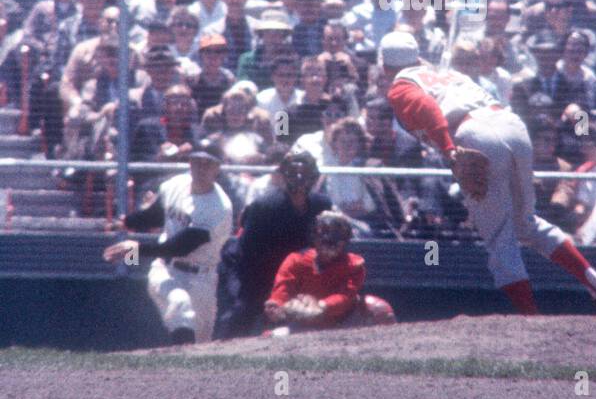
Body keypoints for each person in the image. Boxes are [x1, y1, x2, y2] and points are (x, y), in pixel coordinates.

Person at [379, 31, 596, 316]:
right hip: (511, 125)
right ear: (418, 57)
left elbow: (428, 108)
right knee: (525, 223)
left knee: (499, 237)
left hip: (474, 134)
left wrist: (450, 151)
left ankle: (529, 318)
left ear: (384, 65)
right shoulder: (445, 74)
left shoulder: (399, 87)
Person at [103, 142, 233, 345]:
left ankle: (190, 373)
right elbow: (156, 216)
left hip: (202, 278)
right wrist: (126, 223)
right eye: (196, 161)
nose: (200, 168)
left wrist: (133, 252)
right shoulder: (176, 184)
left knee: (201, 343)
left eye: (207, 163)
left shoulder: (218, 207)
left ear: (218, 168)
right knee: (181, 305)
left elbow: (180, 246)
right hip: (166, 269)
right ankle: (178, 370)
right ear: (189, 162)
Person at [214, 148, 331, 339]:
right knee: (241, 309)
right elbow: (248, 254)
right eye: (293, 173)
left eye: (305, 173)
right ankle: (219, 356)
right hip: (251, 268)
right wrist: (273, 291)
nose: (299, 179)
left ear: (315, 176)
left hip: (292, 271)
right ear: (283, 176)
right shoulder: (265, 206)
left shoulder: (321, 205)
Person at [264, 210, 395, 332]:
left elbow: (345, 297)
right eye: (324, 236)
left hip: (344, 322)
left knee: (380, 309)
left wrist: (321, 306)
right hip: (303, 322)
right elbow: (282, 288)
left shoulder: (354, 265)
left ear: (346, 241)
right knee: (269, 336)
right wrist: (277, 305)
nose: (329, 242)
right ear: (314, 238)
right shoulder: (296, 260)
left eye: (336, 237)